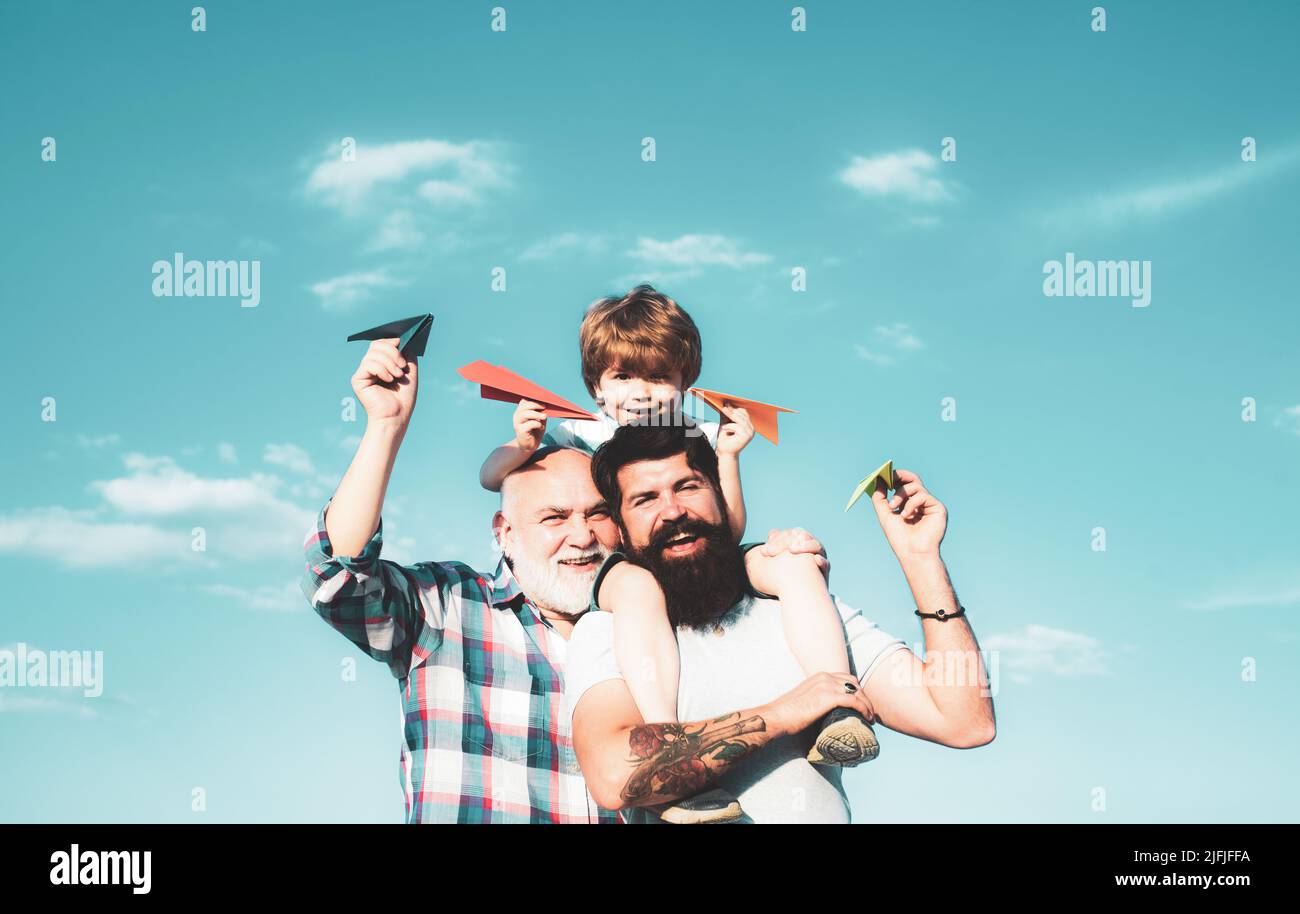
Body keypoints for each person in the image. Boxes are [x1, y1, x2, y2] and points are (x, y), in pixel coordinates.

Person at [298, 336, 823, 823]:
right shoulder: (447, 608)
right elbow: (339, 576)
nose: (580, 536)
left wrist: (782, 565)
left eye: (598, 514)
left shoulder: (664, 630)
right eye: (554, 517)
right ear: (502, 532)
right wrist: (386, 425)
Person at [476, 284, 879, 823]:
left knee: (796, 563)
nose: (640, 392)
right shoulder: (580, 433)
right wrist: (522, 446)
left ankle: (836, 704)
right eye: (623, 376)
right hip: (632, 568)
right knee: (638, 590)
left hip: (701, 559)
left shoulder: (702, 435)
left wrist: (730, 457)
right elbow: (490, 477)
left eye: (657, 376)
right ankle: (670, 756)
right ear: (597, 387)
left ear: (685, 383)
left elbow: (729, 529)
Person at [566, 423, 997, 823]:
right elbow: (612, 776)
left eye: (688, 486)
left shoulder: (800, 609)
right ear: (620, 529)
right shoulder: (607, 633)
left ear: (721, 496)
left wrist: (920, 558)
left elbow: (964, 721)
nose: (674, 510)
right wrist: (788, 712)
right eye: (646, 499)